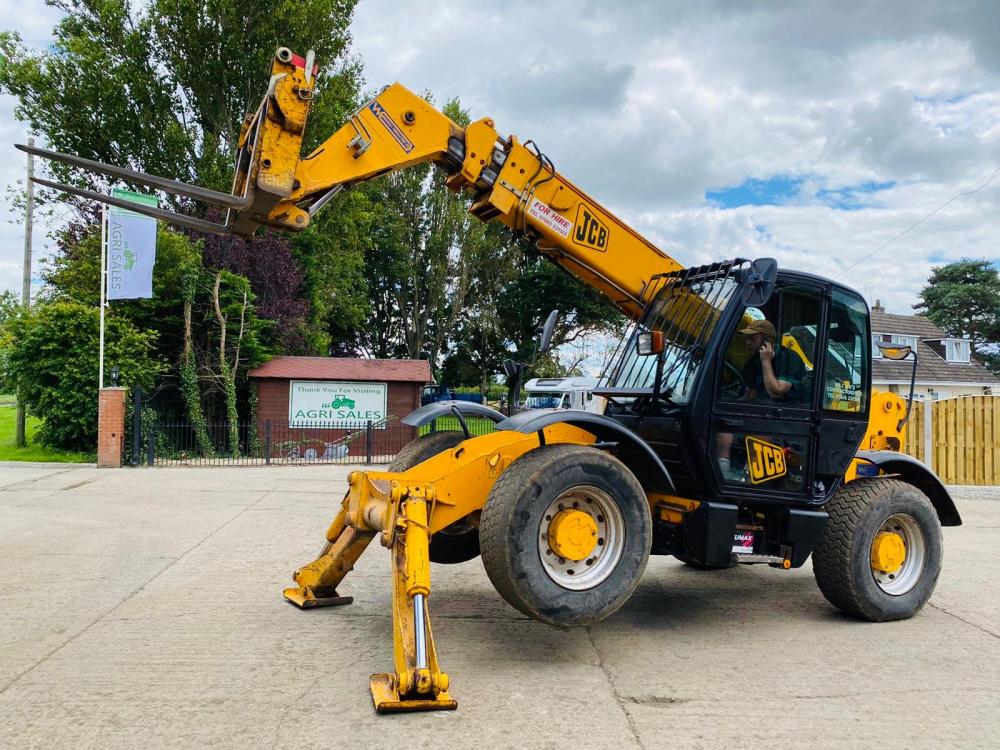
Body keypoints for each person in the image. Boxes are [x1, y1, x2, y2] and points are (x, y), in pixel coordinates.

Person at [737, 319, 805, 402]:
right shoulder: (752, 363)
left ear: (767, 340)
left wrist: (766, 361)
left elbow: (777, 392)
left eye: (752, 338)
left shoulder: (788, 357)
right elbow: (750, 394)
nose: (748, 342)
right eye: (746, 338)